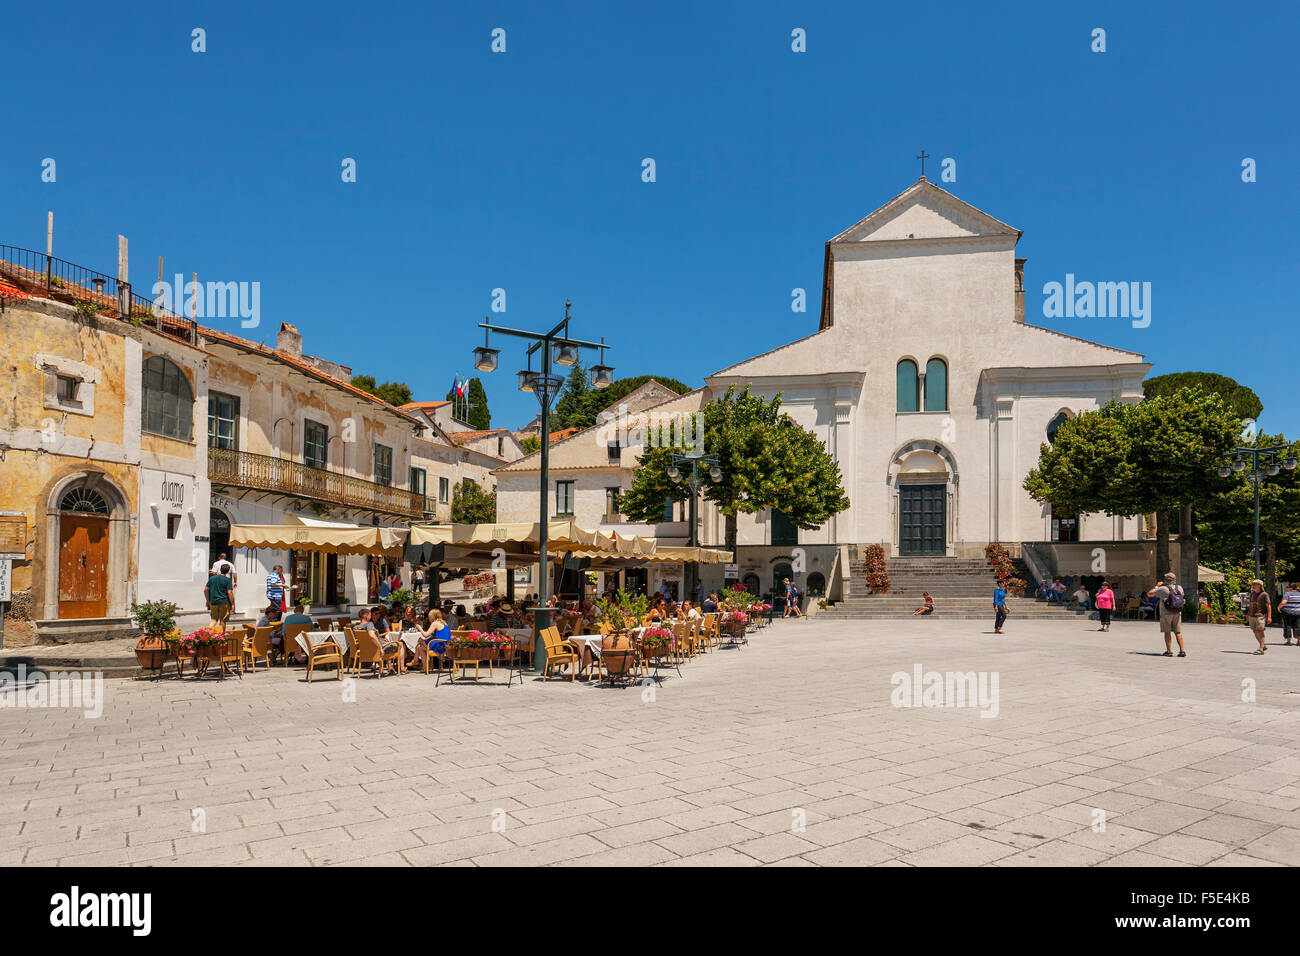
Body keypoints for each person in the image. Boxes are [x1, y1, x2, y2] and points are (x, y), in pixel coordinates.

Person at [1146, 572, 1186, 658]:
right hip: (1177, 612)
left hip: (1166, 613)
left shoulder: (1163, 588)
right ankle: (1182, 650)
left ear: (1165, 580)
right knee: (1178, 632)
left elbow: (1149, 594)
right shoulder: (1179, 587)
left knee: (1167, 632)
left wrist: (1157, 586)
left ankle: (1169, 651)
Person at [204, 565, 234, 631]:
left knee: (213, 620)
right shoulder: (228, 580)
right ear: (228, 571)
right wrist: (232, 604)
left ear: (220, 569)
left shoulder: (212, 578)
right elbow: (229, 592)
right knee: (222, 620)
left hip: (213, 602)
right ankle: (221, 638)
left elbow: (206, 590)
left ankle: (207, 634)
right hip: (224, 602)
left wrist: (208, 600)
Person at [1246, 579, 1271, 655]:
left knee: (1260, 631)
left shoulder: (1264, 594)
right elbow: (1251, 605)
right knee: (1255, 631)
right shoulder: (1252, 594)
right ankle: (1262, 645)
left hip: (1260, 615)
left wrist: (1269, 616)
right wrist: (1247, 614)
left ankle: (1261, 649)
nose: (1253, 586)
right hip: (1252, 615)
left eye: (1255, 584)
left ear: (1260, 585)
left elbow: (1268, 606)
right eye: (1253, 584)